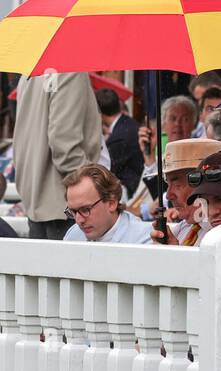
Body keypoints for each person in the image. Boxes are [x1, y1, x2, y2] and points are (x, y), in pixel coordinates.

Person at [13, 70, 103, 239]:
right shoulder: (70, 70)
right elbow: (65, 147)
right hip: (68, 205)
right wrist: (98, 190)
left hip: (38, 202)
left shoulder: (30, 73)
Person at [127, 94, 197, 219]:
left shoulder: (196, 157)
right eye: (172, 118)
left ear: (194, 124)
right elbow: (139, 199)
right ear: (163, 124)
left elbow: (159, 202)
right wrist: (148, 154)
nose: (178, 124)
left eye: (185, 119)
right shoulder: (161, 157)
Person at [62, 163, 154, 244]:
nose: (78, 221)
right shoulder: (73, 235)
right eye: (73, 211)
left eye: (85, 210)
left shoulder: (144, 239)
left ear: (111, 203)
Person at [96, 87, 142, 198]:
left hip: (132, 194)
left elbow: (108, 169)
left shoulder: (118, 138)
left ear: (99, 112)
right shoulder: (129, 124)